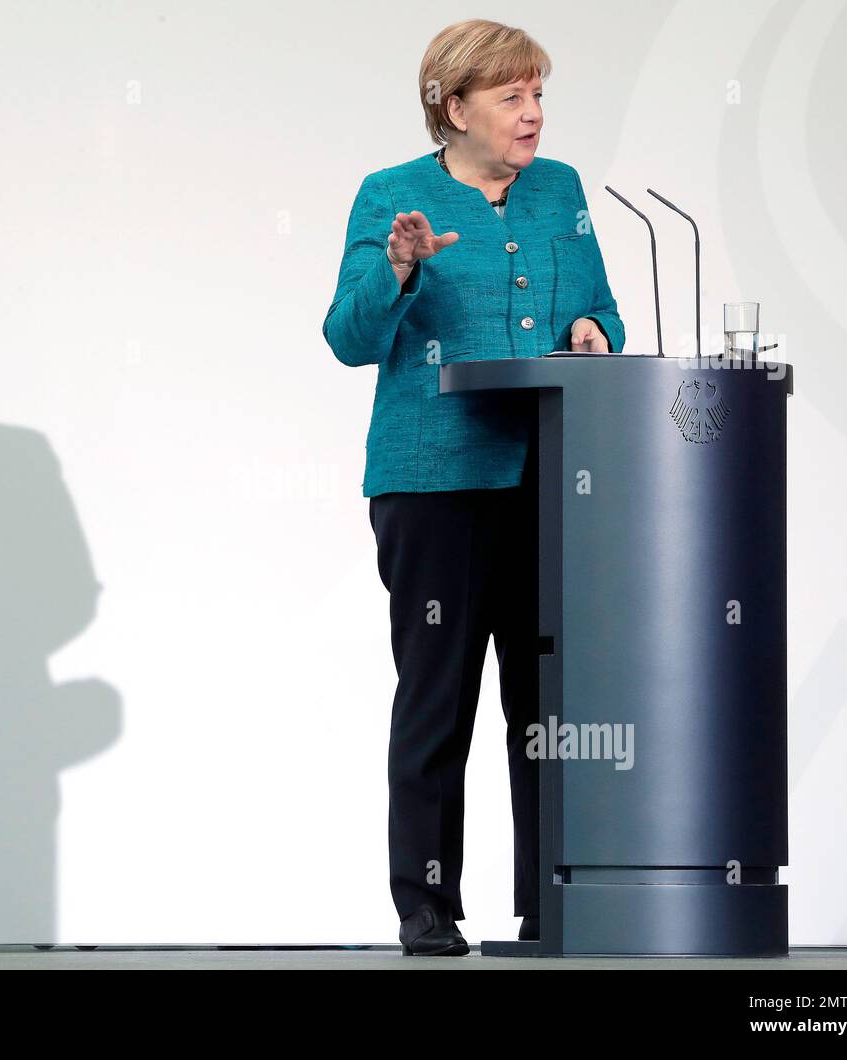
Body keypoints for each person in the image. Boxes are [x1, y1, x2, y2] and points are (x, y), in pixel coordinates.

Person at [321, 19, 625, 956]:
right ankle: (425, 904)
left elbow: (601, 308)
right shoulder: (391, 196)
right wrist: (402, 266)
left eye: (538, 94)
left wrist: (592, 334)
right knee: (438, 696)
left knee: (548, 707)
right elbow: (348, 336)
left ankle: (553, 902)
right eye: (511, 97)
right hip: (434, 483)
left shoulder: (561, 192)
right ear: (452, 107)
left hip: (547, 479)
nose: (533, 114)